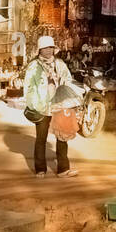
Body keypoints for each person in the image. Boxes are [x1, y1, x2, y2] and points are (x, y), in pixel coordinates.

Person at [24, 36, 77, 178]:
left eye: (50, 48)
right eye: (45, 48)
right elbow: (29, 88)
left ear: (54, 49)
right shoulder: (34, 66)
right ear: (40, 50)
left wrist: (67, 100)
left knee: (62, 137)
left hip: (59, 105)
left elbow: (68, 80)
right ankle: (40, 169)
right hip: (42, 107)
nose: (48, 50)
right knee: (41, 139)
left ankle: (63, 169)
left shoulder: (60, 64)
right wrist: (35, 105)